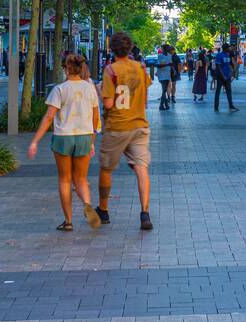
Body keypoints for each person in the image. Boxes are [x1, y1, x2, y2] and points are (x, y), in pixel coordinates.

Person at [29, 53, 102, 232]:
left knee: (65, 179)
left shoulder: (59, 90)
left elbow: (48, 117)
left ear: (66, 68)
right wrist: (92, 140)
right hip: (84, 136)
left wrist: (35, 141)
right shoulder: (89, 88)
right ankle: (86, 204)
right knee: (81, 178)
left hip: (63, 137)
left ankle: (68, 220)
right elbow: (95, 117)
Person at [98, 31, 153, 230]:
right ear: (130, 49)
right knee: (141, 169)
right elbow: (145, 99)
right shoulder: (141, 68)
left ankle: (103, 210)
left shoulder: (110, 70)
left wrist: (100, 91)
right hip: (139, 125)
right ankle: (145, 212)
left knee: (106, 168)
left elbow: (109, 102)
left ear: (112, 49)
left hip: (117, 126)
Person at [213, 43, 237, 112]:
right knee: (218, 92)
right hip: (221, 77)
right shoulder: (219, 55)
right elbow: (219, 67)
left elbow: (228, 64)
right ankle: (216, 107)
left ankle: (231, 106)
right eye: (228, 48)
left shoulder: (227, 55)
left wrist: (232, 71)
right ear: (225, 48)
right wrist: (223, 76)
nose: (229, 49)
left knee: (229, 92)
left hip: (227, 76)